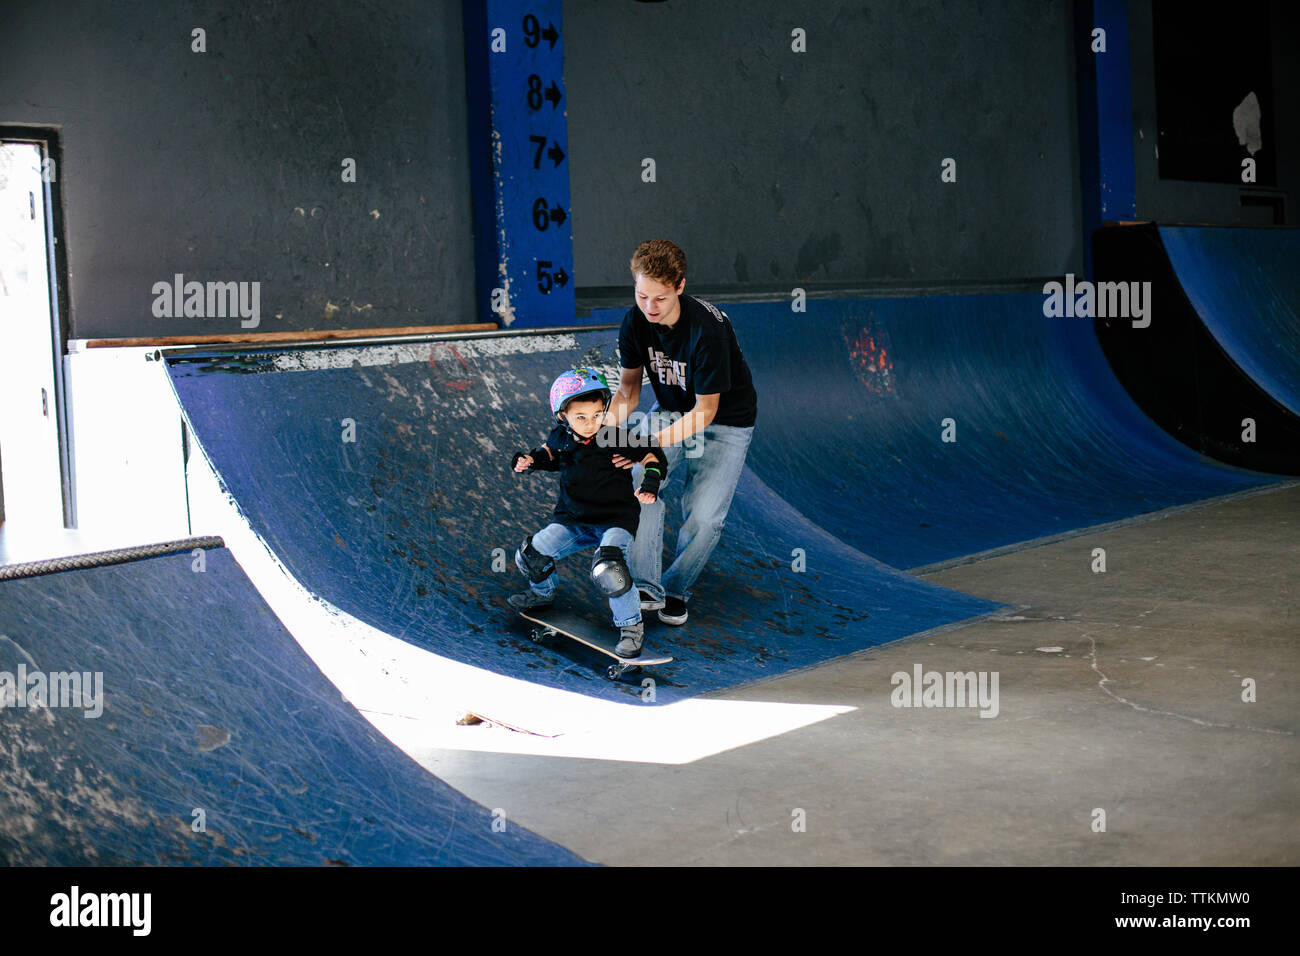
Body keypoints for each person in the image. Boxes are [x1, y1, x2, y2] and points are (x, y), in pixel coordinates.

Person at [607, 239, 758, 626]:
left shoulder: (708, 330)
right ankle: (646, 587)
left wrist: (644, 444)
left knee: (705, 518)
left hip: (725, 421)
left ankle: (675, 588)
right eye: (642, 296)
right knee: (641, 475)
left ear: (679, 286)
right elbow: (628, 392)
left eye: (659, 298)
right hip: (672, 410)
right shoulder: (635, 322)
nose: (650, 308)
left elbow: (705, 412)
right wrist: (603, 435)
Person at [508, 367, 668, 657]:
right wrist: (529, 460)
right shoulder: (561, 436)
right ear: (562, 417)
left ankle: (631, 627)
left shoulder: (614, 437)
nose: (590, 423)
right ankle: (542, 594)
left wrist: (651, 481)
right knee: (531, 556)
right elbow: (550, 454)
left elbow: (652, 454)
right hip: (573, 519)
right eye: (580, 417)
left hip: (615, 519)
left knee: (610, 571)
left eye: (597, 415)